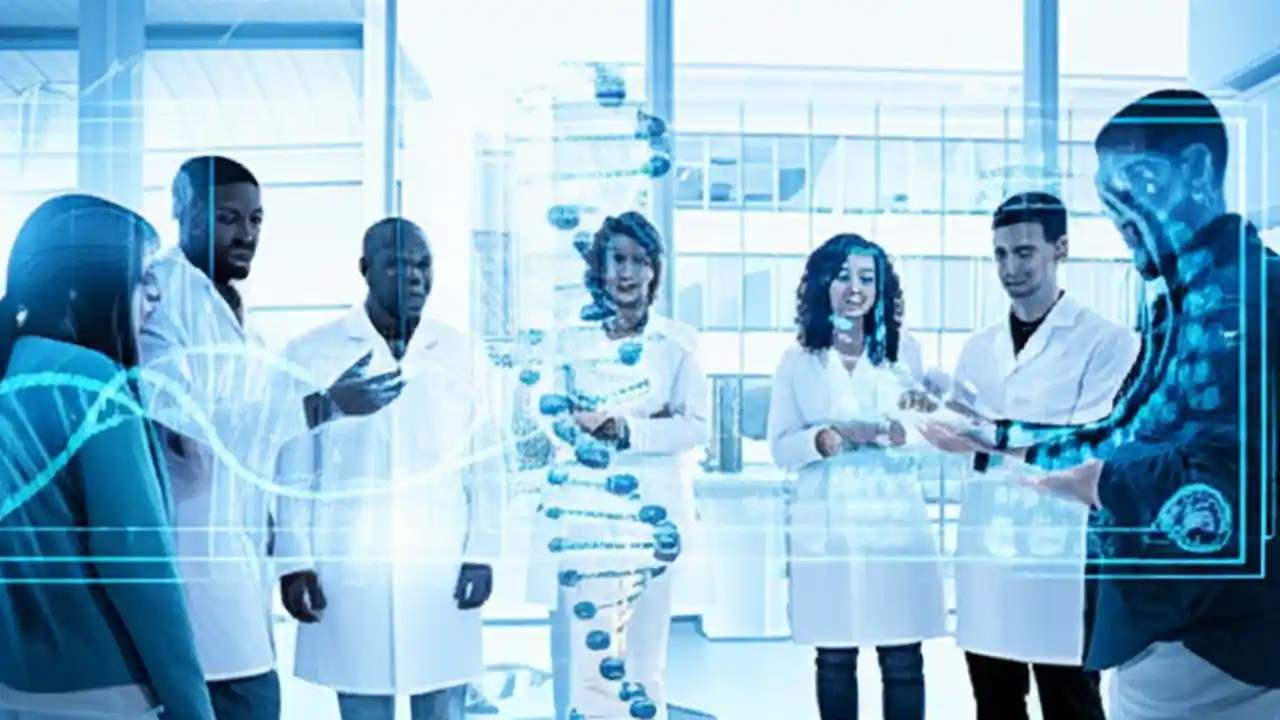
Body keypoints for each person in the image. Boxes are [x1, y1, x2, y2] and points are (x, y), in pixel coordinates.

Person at [922, 89, 1280, 719]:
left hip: (1218, 632)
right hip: (1149, 619)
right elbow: (1122, 431)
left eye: (1138, 183)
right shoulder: (1173, 307)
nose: (1122, 211)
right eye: (1110, 192)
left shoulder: (1241, 301)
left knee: (1070, 699)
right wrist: (995, 437)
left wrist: (1095, 478)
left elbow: (1223, 468)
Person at [138, 156, 405, 719]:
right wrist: (324, 405)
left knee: (253, 695)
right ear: (182, 210)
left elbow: (260, 438)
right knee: (240, 697)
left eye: (256, 220)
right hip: (192, 553)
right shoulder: (160, 292)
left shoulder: (240, 316)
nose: (246, 235)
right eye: (228, 218)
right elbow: (180, 413)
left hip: (234, 557)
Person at [273, 218, 500, 720]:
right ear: (365, 270)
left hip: (439, 565)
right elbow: (293, 471)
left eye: (423, 264)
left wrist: (482, 550)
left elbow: (484, 462)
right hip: (350, 566)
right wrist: (294, 561)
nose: (415, 276)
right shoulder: (312, 352)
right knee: (362, 704)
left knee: (443, 704)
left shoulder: (463, 354)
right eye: (397, 264)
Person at [0, 195, 215, 719]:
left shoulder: (15, 372)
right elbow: (136, 562)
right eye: (143, 277)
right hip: (102, 693)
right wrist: (194, 707)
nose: (157, 295)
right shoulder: (91, 382)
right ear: (80, 284)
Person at [950, 192, 1137, 720]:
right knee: (993, 699)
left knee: (1070, 699)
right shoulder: (977, 349)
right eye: (1001, 254)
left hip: (1063, 545)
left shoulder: (1107, 341)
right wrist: (963, 432)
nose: (1011, 268)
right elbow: (967, 442)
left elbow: (1086, 441)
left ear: (1061, 249)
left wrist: (989, 435)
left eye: (1025, 252)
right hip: (988, 543)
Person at [529, 212, 709, 720]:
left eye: (639, 261)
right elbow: (549, 414)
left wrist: (624, 429)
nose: (627, 273)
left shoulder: (678, 343)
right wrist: (586, 426)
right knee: (591, 660)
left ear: (654, 271)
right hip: (587, 515)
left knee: (646, 663)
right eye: (618, 260)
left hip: (655, 519)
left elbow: (695, 426)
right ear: (600, 268)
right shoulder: (569, 340)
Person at [767, 233, 946, 720]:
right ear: (822, 282)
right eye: (843, 275)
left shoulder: (904, 350)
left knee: (903, 655)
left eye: (867, 278)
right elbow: (780, 445)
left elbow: (926, 425)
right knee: (834, 655)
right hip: (827, 521)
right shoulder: (799, 360)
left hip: (893, 517)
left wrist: (895, 431)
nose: (855, 287)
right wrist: (827, 438)